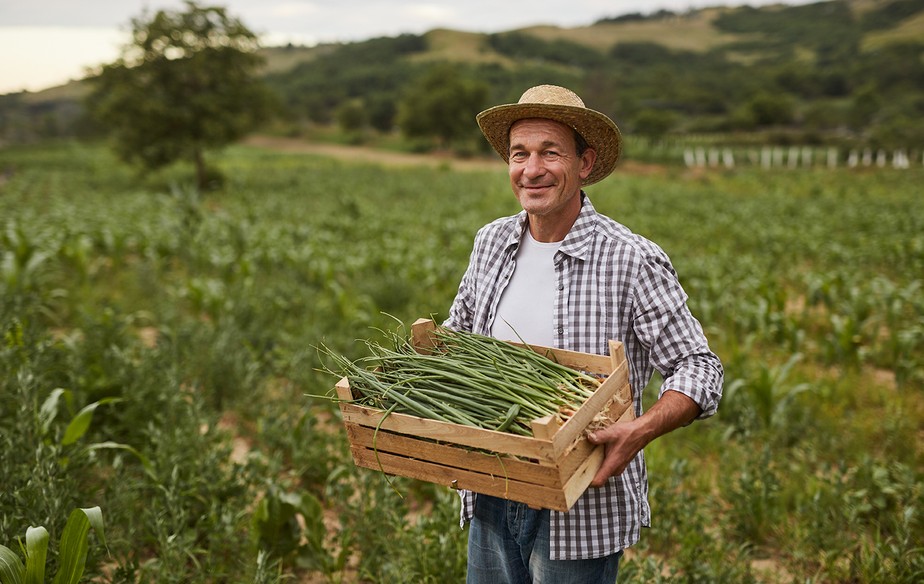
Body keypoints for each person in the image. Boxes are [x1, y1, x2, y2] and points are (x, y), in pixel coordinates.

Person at [442, 84, 724, 583]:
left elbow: (699, 367)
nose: (532, 169)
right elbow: (458, 333)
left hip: (580, 502)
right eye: (519, 154)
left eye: (550, 152)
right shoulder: (491, 243)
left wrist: (639, 430)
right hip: (492, 484)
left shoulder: (630, 258)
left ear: (585, 163)